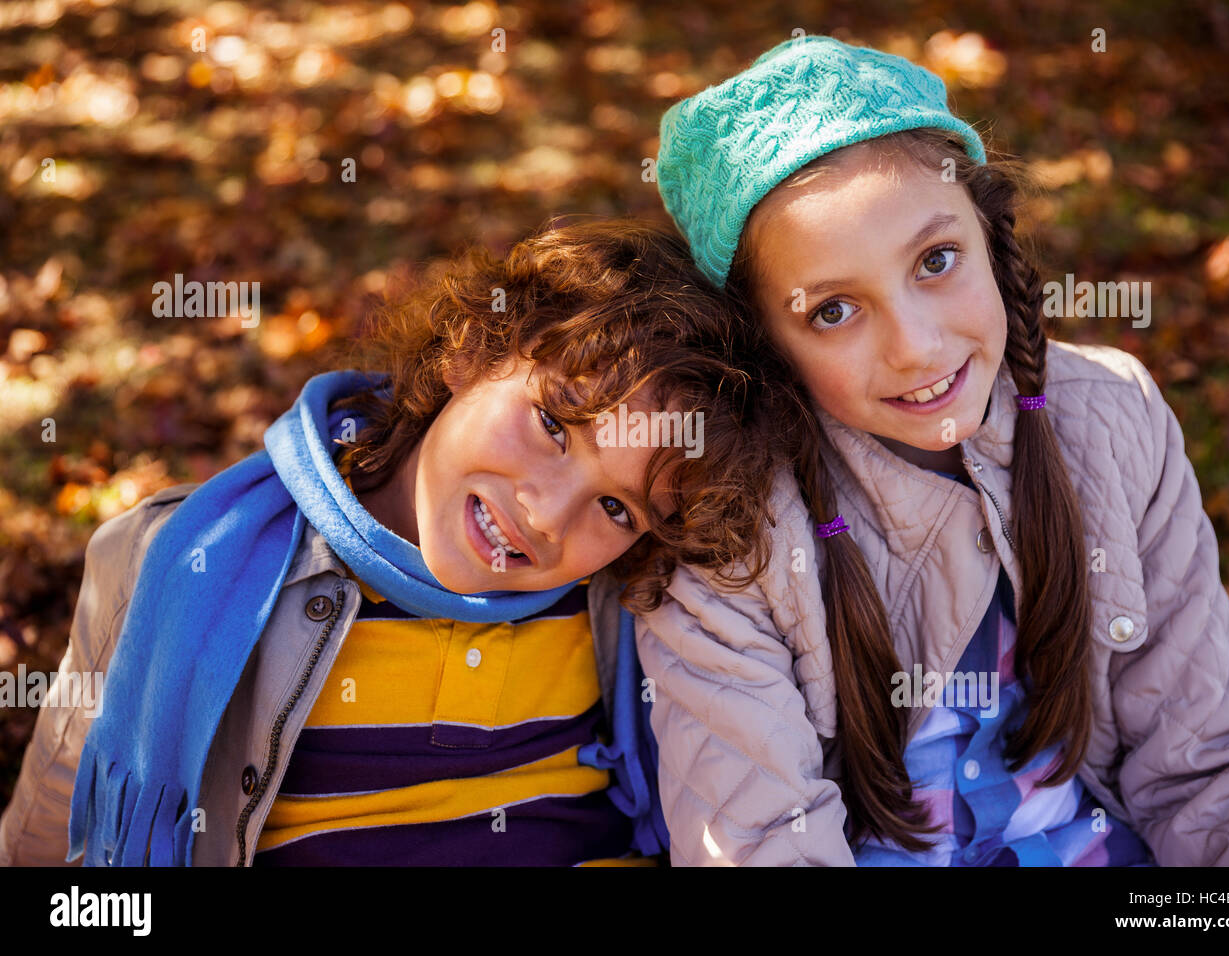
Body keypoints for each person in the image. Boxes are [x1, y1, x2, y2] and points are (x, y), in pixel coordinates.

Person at [636, 35, 1229, 866]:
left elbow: (1223, 766)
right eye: (833, 312)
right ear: (764, 343)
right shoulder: (729, 526)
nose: (915, 348)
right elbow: (761, 840)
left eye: (936, 260)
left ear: (992, 238)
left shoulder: (1114, 418)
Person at [0, 217, 799, 866]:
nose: (548, 516)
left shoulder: (624, 609)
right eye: (554, 424)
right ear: (471, 352)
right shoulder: (192, 565)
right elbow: (56, 816)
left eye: (618, 509)